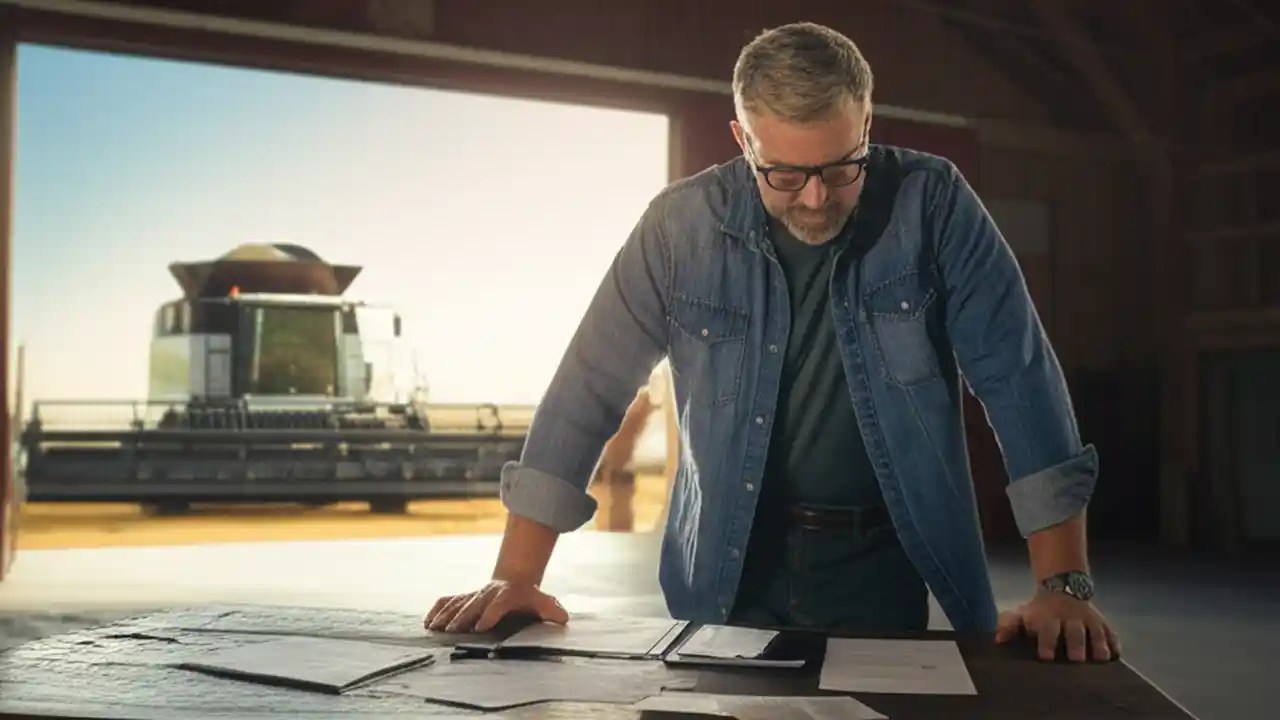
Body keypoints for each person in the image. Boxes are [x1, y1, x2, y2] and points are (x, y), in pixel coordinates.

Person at [426, 21, 1120, 663]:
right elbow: (590, 385)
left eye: (841, 168)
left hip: (882, 564)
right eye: (784, 175)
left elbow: (1019, 377)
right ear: (742, 138)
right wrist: (515, 575)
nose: (815, 200)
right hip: (727, 564)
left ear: (867, 124)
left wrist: (1063, 583)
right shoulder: (677, 230)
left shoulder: (933, 206)